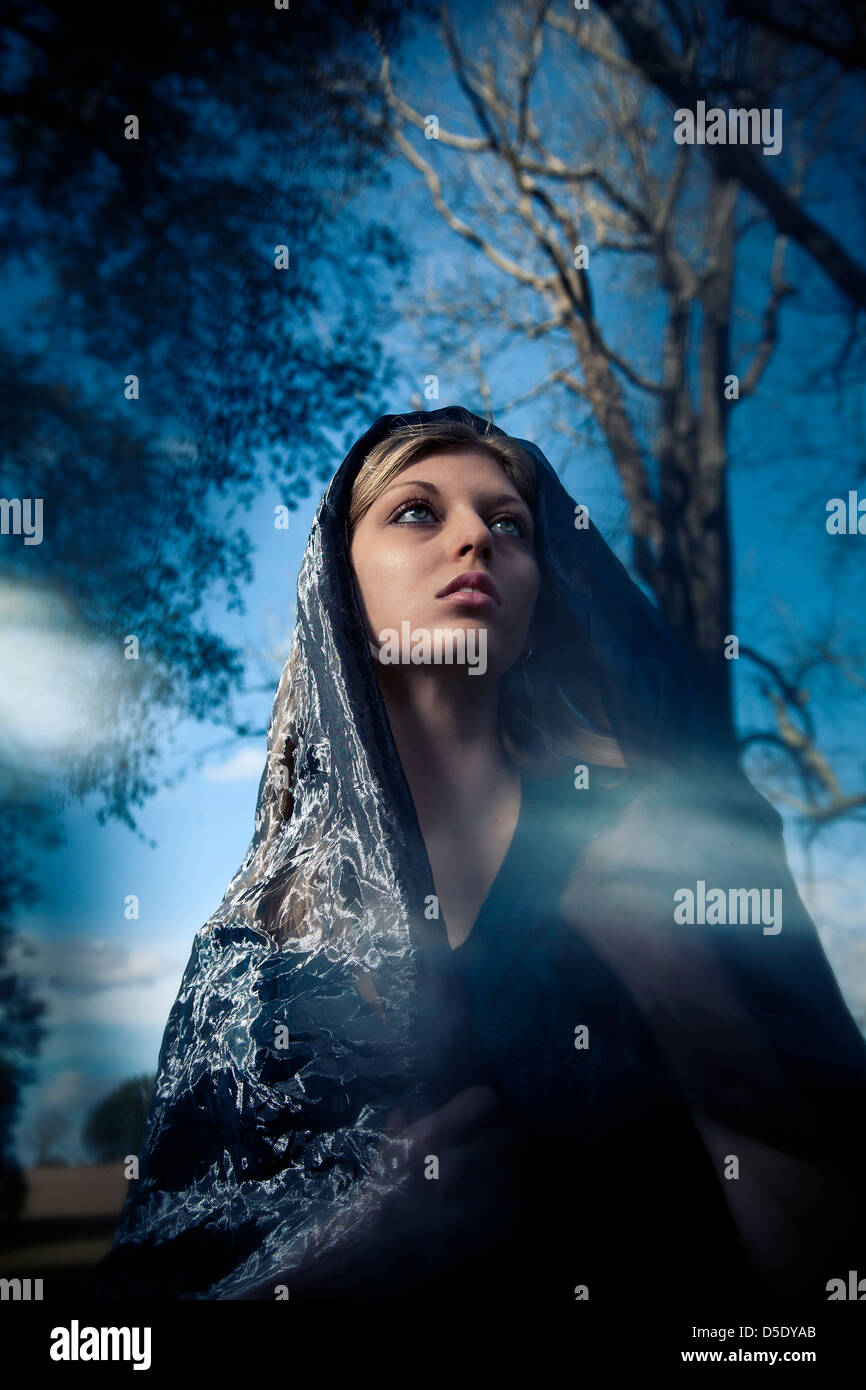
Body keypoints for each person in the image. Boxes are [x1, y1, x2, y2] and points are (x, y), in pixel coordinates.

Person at [94, 405, 866, 1306]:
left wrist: (687, 1006)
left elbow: (824, 1253)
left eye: (509, 525)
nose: (475, 539)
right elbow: (136, 1316)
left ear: (540, 612)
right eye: (418, 511)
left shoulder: (657, 845)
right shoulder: (249, 953)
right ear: (339, 593)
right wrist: (343, 1256)